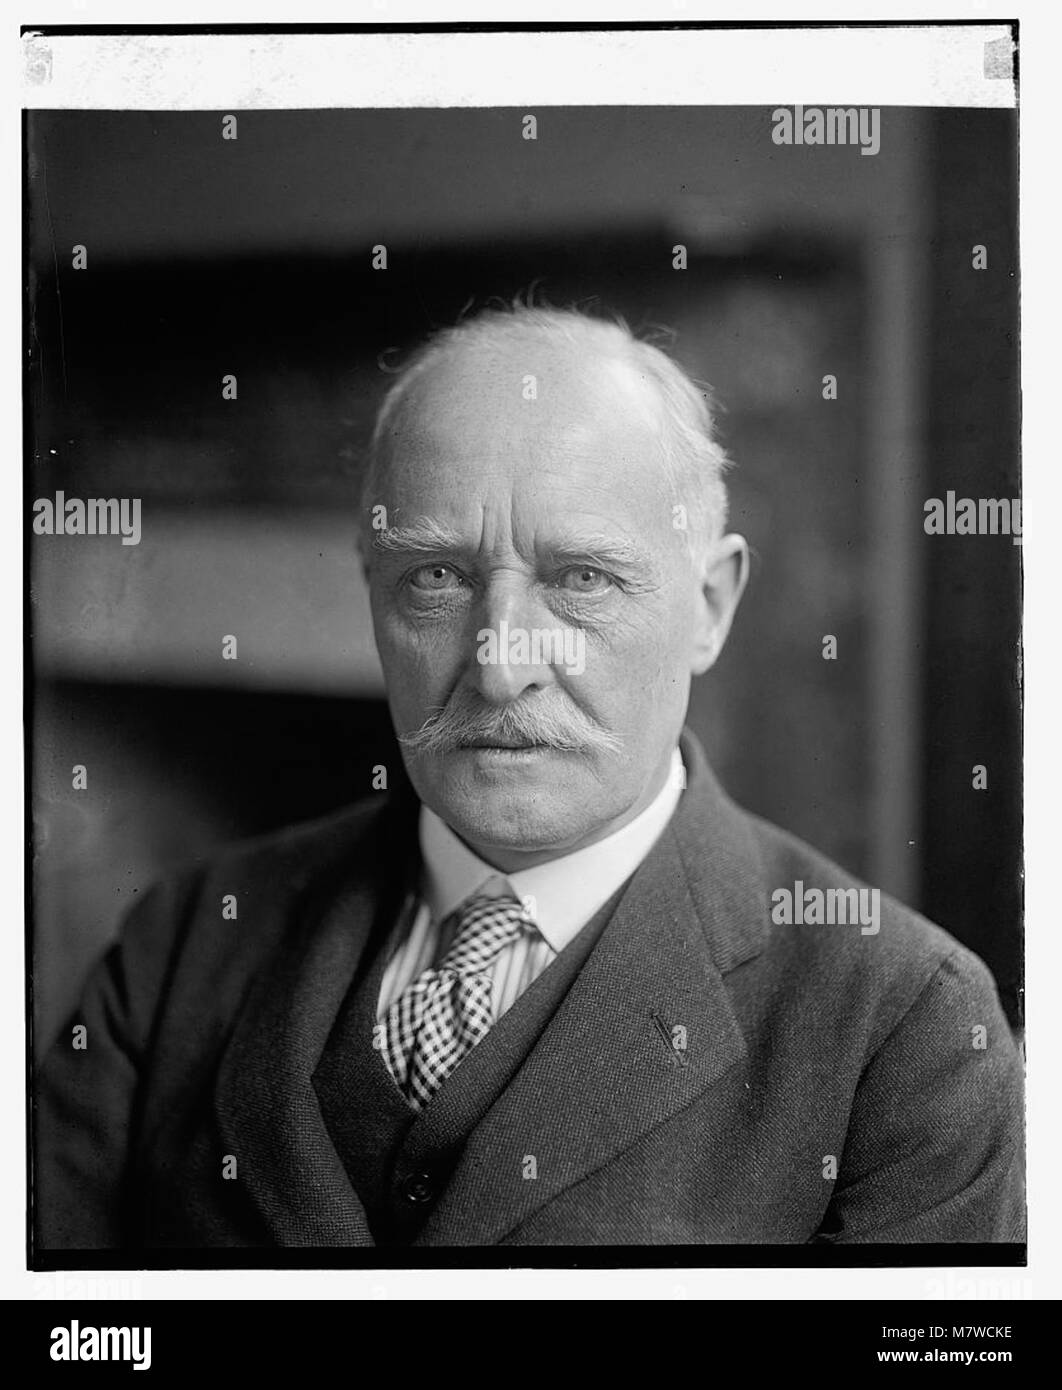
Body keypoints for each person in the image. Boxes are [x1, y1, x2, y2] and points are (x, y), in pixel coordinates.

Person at [34, 303, 1024, 1249]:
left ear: (711, 606)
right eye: (437, 576)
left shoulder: (907, 1027)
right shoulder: (179, 944)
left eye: (581, 577)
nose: (501, 663)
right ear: (371, 595)